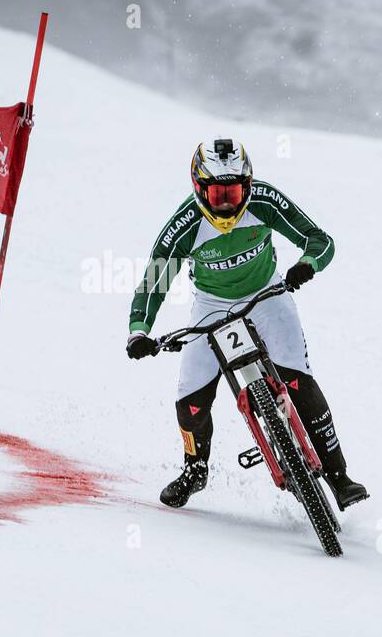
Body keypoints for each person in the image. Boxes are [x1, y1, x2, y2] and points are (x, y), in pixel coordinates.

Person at [126, 137, 369, 511]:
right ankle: (195, 469)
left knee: (297, 379)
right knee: (189, 401)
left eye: (235, 192)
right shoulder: (185, 224)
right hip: (211, 307)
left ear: (249, 185)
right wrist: (139, 331)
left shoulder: (265, 200)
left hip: (268, 295)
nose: (227, 203)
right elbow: (154, 282)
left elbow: (320, 240)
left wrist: (308, 263)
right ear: (198, 188)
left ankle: (339, 477)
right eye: (218, 194)